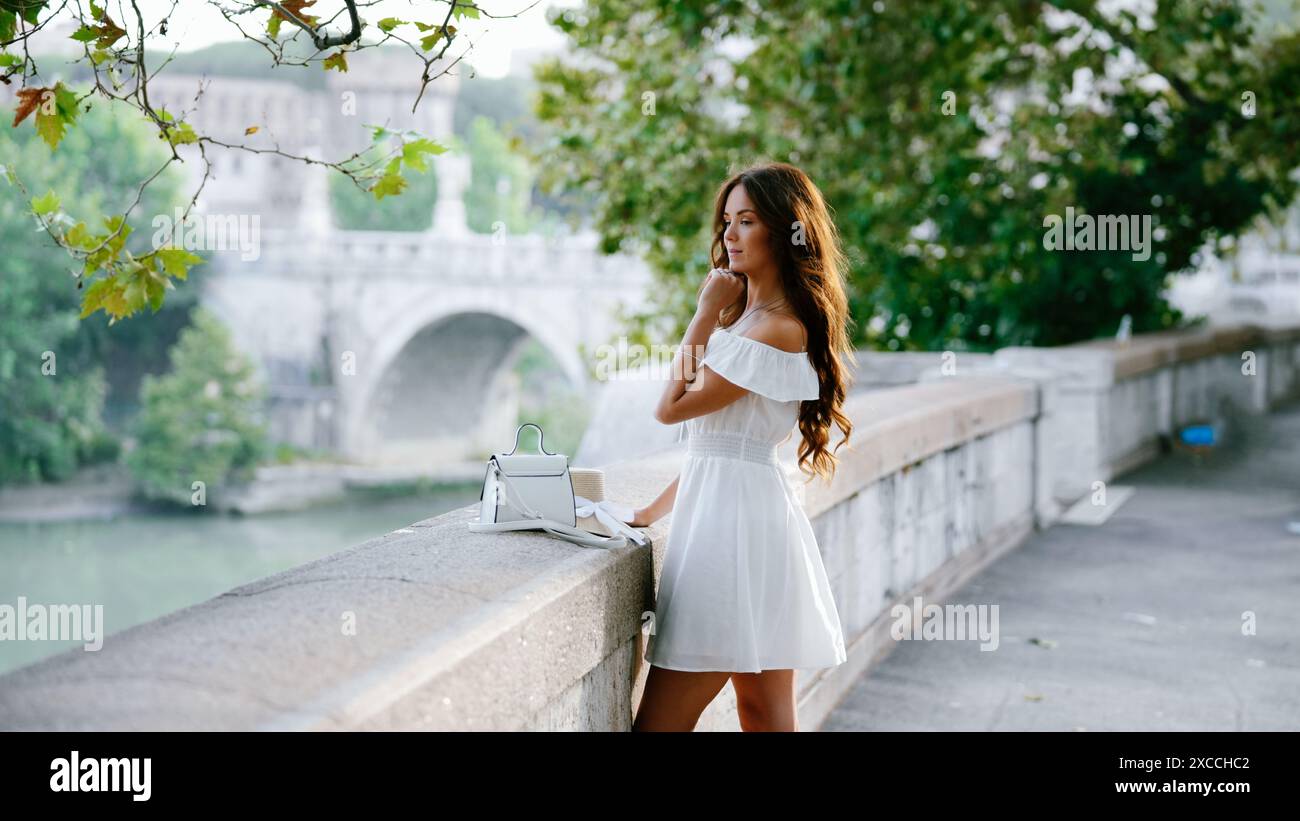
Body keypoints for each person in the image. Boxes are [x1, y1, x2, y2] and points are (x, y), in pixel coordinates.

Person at [629, 162, 857, 732]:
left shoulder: (775, 328)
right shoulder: (753, 321)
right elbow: (722, 447)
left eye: (747, 221)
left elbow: (670, 408)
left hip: (732, 540)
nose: (729, 235)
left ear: (784, 230)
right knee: (763, 716)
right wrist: (649, 514)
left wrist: (703, 312)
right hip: (739, 522)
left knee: (661, 725)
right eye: (727, 220)